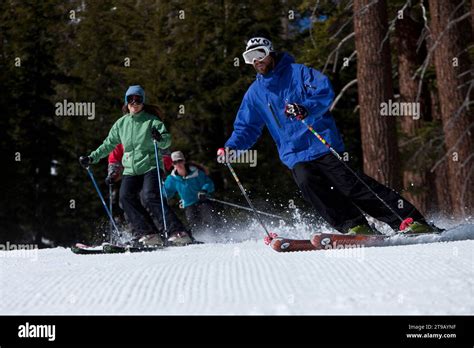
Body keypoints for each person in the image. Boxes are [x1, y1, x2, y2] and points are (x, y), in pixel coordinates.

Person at [219, 36, 439, 235]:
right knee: (309, 185)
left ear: (270, 53)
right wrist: (232, 148)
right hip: (294, 153)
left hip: (321, 142)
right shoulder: (254, 94)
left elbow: (324, 91)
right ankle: (354, 224)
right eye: (250, 57)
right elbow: (246, 128)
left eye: (260, 55)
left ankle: (408, 220)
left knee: (351, 184)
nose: (256, 61)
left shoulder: (298, 72)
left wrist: (305, 108)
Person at [79, 85, 192, 246]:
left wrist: (159, 138)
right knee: (125, 198)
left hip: (151, 166)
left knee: (150, 196)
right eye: (131, 99)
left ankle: (178, 232)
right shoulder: (121, 124)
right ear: (126, 102)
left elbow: (167, 140)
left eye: (138, 99)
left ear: (143, 101)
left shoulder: (151, 120)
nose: (134, 102)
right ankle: (149, 233)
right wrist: (92, 158)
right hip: (131, 170)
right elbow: (108, 144)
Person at [164, 151, 218, 232]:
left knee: (209, 217)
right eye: (175, 162)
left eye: (180, 161)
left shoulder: (196, 173)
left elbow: (209, 183)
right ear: (173, 164)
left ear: (184, 161)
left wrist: (204, 190)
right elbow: (166, 191)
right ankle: (201, 239)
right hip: (188, 204)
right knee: (194, 223)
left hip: (202, 200)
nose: (178, 164)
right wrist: (161, 196)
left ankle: (218, 235)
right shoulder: (172, 179)